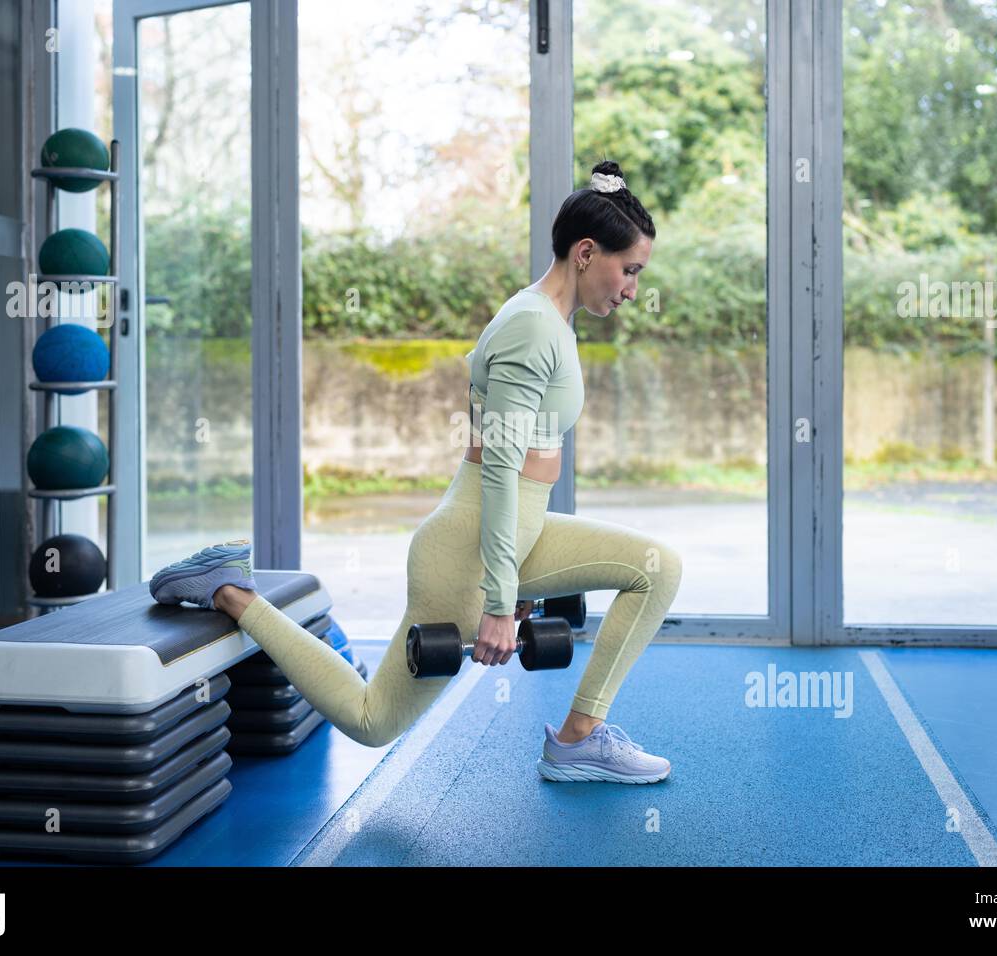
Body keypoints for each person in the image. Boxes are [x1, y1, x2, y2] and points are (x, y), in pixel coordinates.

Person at [149, 161, 684, 784]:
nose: (632, 290)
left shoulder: (548, 321)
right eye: (631, 270)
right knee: (371, 720)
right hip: (466, 553)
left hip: (510, 534)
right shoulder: (533, 328)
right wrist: (499, 602)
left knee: (657, 567)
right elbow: (504, 470)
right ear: (587, 252)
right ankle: (231, 592)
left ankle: (579, 737)